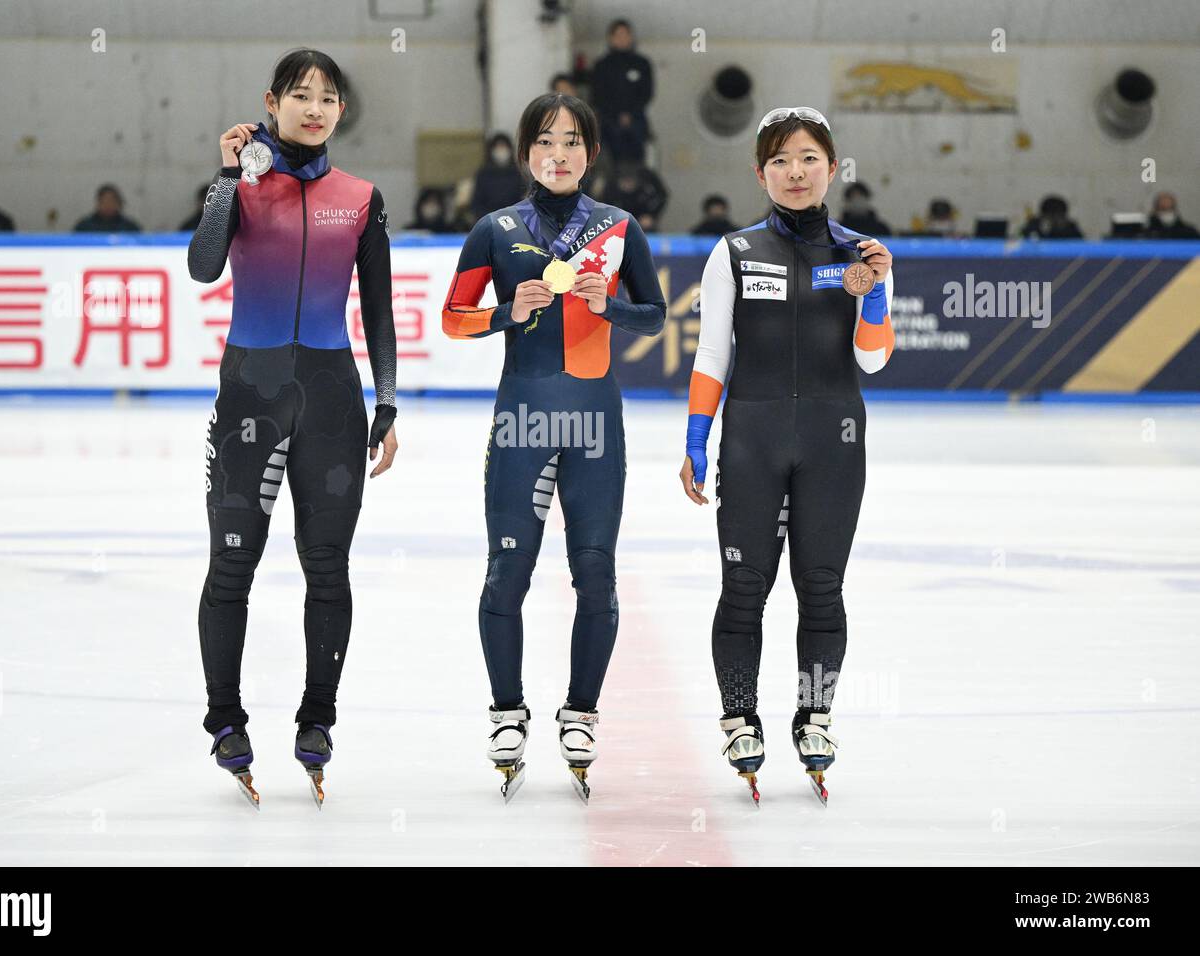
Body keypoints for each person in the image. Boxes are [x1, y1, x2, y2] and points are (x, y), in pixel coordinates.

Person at [187, 48, 399, 809]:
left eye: (328, 97)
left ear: (341, 110)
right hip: (251, 394)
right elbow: (203, 267)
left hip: (332, 400)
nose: (315, 107)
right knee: (231, 566)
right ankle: (225, 721)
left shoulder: (361, 197)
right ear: (271, 103)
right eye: (300, 95)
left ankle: (318, 719)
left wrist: (389, 400)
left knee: (328, 568)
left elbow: (377, 307)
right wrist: (225, 181)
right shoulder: (240, 187)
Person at [441, 92, 666, 802]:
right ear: (524, 152)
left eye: (573, 141)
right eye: (546, 141)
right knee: (506, 576)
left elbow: (655, 316)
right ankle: (507, 713)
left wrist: (608, 306)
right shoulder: (494, 230)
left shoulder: (620, 227)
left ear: (591, 154)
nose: (559, 154)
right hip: (522, 423)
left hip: (596, 425)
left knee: (595, 576)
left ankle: (581, 713)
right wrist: (510, 311)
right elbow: (453, 321)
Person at [679, 107, 895, 806]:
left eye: (808, 159)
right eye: (779, 161)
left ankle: (815, 715)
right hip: (751, 438)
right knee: (745, 589)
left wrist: (878, 294)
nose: (794, 173)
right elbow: (713, 353)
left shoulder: (859, 256)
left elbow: (874, 357)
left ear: (832, 167)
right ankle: (740, 715)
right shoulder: (734, 252)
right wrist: (694, 437)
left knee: (822, 589)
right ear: (760, 172)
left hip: (835, 440)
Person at [590, 19, 653, 165]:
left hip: (637, 121)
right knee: (612, 163)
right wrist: (618, 114)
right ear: (610, 38)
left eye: (625, 34)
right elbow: (598, 95)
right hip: (610, 123)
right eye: (618, 35)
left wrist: (630, 113)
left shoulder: (642, 63)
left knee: (638, 163)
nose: (622, 38)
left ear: (631, 37)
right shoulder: (602, 65)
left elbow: (647, 93)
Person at [469, 133, 525, 222]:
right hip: (487, 220)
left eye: (503, 147)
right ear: (491, 150)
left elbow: (523, 200)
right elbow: (476, 203)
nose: (501, 151)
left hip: (514, 221)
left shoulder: (517, 174)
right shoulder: (483, 174)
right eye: (498, 147)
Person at [600, 160, 668, 231]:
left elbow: (663, 196)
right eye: (625, 182)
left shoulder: (647, 183)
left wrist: (652, 216)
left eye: (630, 182)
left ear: (637, 181)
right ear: (619, 181)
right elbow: (603, 207)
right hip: (619, 224)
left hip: (643, 221)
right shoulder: (610, 189)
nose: (628, 186)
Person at [73, 184, 141, 232]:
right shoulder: (84, 227)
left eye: (111, 201)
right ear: (98, 203)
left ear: (118, 203)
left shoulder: (130, 227)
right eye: (104, 201)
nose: (108, 205)